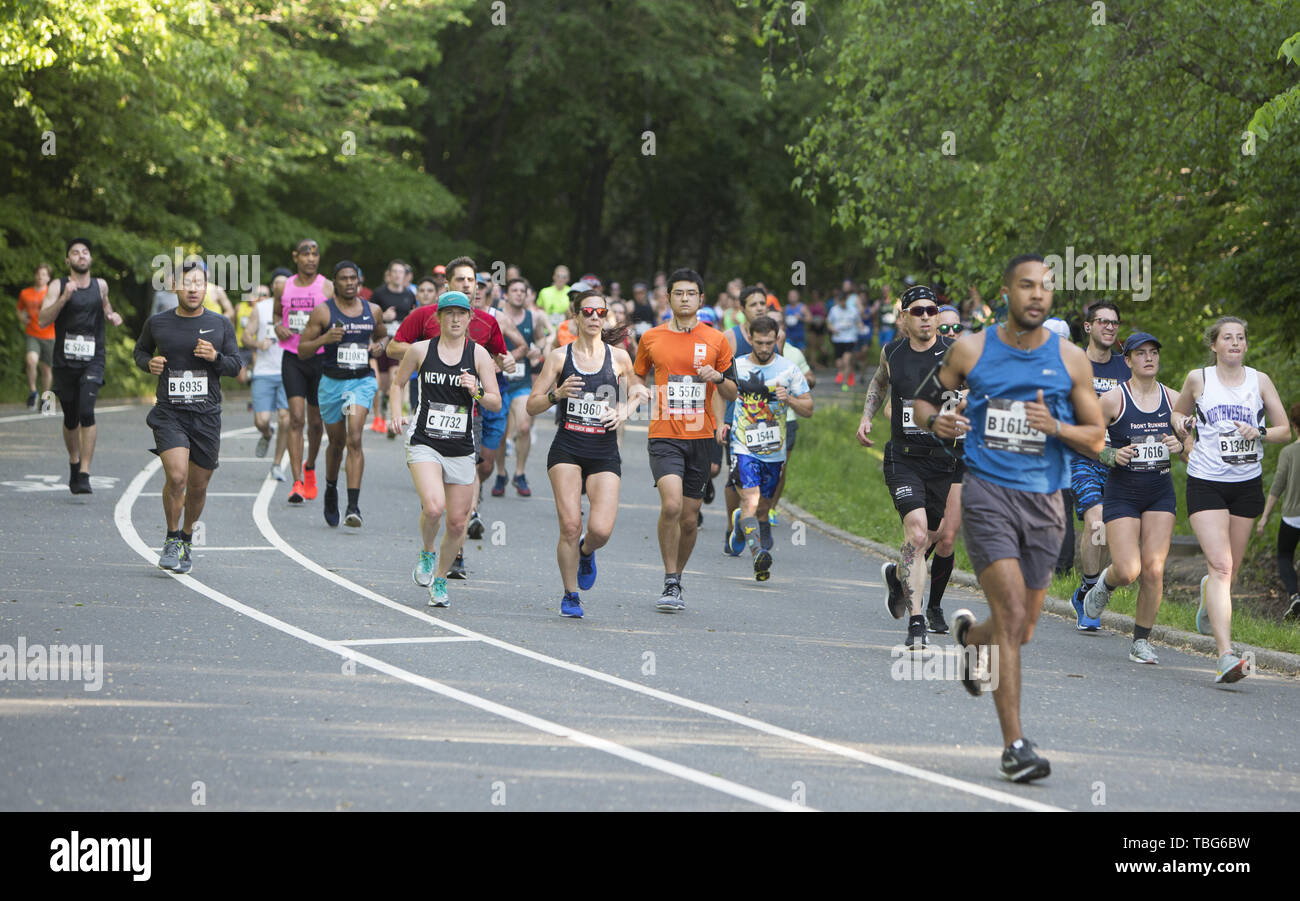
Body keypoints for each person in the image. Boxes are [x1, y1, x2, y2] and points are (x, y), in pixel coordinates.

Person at [914, 253, 1104, 782]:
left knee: (1021, 629)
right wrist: (940, 423)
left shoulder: (1071, 361)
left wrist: (1056, 428)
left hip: (1045, 502)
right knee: (1014, 613)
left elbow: (1096, 439)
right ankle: (1015, 745)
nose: (1037, 295)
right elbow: (923, 404)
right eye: (1027, 286)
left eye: (1045, 287)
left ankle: (975, 640)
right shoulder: (971, 349)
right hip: (987, 494)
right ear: (1007, 292)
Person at [1171, 316, 1290, 683]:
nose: (1235, 343)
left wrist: (1261, 431)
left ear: (1245, 345)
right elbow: (1178, 412)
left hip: (1246, 484)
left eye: (1240, 338)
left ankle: (1210, 598)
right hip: (1206, 481)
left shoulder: (1260, 381)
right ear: (1214, 345)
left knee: (1229, 571)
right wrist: (1182, 427)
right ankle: (1226, 655)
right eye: (1228, 338)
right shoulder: (1198, 378)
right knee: (1221, 565)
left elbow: (1285, 431)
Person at [388, 257, 520, 580]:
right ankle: (428, 551)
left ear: (470, 315)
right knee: (434, 507)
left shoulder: (482, 343)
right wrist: (397, 413)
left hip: (464, 433)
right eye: (450, 313)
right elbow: (396, 375)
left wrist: (480, 386)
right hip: (426, 433)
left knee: (458, 519)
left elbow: (495, 391)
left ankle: (442, 578)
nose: (456, 319)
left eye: (462, 314)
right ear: (440, 314)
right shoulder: (421, 341)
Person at [527, 290, 646, 616]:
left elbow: (640, 389)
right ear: (576, 317)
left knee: (601, 530)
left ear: (605, 317)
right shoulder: (559, 358)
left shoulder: (619, 357)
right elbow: (532, 404)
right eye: (587, 312)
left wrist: (625, 409)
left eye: (600, 312)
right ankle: (570, 595)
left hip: (604, 449)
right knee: (570, 525)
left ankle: (587, 551)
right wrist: (557, 394)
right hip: (567, 446)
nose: (594, 317)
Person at [857, 286, 960, 649]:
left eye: (932, 310)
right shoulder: (892, 352)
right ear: (904, 317)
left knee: (936, 536)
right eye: (918, 311)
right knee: (917, 536)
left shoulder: (955, 355)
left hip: (945, 462)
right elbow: (880, 382)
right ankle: (916, 622)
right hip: (903, 458)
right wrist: (867, 416)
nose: (927, 316)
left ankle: (899, 577)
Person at [633, 267, 737, 611]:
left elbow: (733, 392)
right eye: (678, 293)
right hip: (664, 433)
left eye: (691, 293)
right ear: (669, 298)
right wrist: (636, 392)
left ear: (701, 299)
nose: (685, 299)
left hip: (701, 436)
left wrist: (718, 376)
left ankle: (677, 577)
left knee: (690, 518)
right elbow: (636, 375)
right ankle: (669, 578)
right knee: (673, 505)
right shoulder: (650, 338)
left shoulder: (717, 340)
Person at [1081, 333, 1187, 663]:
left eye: (1153, 353)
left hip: (1159, 491)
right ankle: (1103, 585)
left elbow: (1191, 449)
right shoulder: (1114, 399)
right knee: (1128, 570)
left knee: (1154, 570)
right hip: (1123, 492)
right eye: (1140, 354)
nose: (1149, 358)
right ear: (1127, 361)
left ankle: (1141, 641)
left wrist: (1180, 445)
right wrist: (1111, 454)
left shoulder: (1174, 398)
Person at [133, 261, 241, 574]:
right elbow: (140, 352)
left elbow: (236, 365)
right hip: (170, 413)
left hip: (206, 415)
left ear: (206, 288)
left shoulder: (220, 324)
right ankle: (170, 538)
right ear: (175, 286)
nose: (193, 288)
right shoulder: (158, 323)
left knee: (197, 486)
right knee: (177, 476)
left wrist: (216, 358)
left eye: (199, 282)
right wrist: (148, 363)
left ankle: (187, 537)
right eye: (187, 282)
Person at [298, 261, 387, 527]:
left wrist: (380, 346)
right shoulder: (323, 312)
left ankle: (353, 506)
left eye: (353, 278)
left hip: (361, 382)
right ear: (334, 283)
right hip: (331, 383)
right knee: (336, 443)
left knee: (355, 437)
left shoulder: (373, 310)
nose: (349, 282)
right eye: (343, 279)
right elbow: (302, 350)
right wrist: (324, 340)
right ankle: (330, 488)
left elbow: (384, 337)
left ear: (359, 282)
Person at [727, 316, 812, 580]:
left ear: (777, 340)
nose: (764, 348)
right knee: (751, 500)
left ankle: (743, 525)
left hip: (774, 450)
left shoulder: (789, 369)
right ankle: (758, 556)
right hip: (743, 446)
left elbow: (809, 408)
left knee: (763, 508)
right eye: (759, 342)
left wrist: (791, 401)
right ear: (750, 339)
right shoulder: (737, 366)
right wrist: (722, 423)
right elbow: (719, 392)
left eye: (770, 343)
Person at [38, 238, 124, 494]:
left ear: (91, 258)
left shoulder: (100, 285)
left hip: (93, 359)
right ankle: (74, 463)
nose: (81, 256)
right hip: (65, 362)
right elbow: (43, 320)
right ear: (68, 260)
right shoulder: (58, 285)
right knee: (71, 418)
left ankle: (85, 472)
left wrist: (112, 315)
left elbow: (106, 307)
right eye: (75, 253)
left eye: (85, 252)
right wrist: (64, 298)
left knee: (87, 411)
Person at [1068, 300, 1131, 631]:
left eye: (1115, 323)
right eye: (1103, 321)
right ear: (1089, 327)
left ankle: (1084, 591)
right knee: (1095, 525)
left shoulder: (1127, 367)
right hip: (1083, 457)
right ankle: (1092, 591)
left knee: (1110, 532)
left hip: (1121, 460)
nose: (1109, 327)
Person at [722, 286, 787, 553]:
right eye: (754, 303)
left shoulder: (775, 336)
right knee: (736, 477)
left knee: (769, 475)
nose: (760, 307)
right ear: (742, 309)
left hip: (769, 419)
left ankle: (759, 519)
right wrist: (720, 421)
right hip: (737, 416)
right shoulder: (731, 337)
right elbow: (721, 382)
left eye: (764, 303)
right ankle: (733, 525)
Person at [273, 238, 333, 504]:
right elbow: (277, 316)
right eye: (305, 255)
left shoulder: (328, 287)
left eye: (315, 254)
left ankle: (310, 466)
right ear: (295, 256)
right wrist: (278, 327)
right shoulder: (283, 286)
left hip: (319, 358)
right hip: (293, 357)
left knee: (316, 421)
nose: (311, 259)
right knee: (296, 418)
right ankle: (296, 481)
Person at [493, 277, 551, 498]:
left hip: (522, 382)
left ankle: (519, 473)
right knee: (500, 433)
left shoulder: (533, 317)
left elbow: (541, 340)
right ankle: (500, 473)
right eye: (514, 290)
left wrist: (538, 349)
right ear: (507, 294)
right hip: (498, 382)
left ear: (527, 295)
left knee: (524, 427)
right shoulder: (497, 316)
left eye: (522, 291)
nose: (518, 294)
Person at [243, 269, 292, 479]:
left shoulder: (297, 309)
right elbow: (245, 337)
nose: (281, 287)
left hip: (289, 370)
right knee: (261, 420)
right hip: (264, 371)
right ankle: (266, 433)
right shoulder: (261, 308)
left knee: (285, 419)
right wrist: (257, 343)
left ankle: (277, 463)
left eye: (285, 283)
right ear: (273, 287)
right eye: (278, 283)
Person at [1257, 402, 1300, 620]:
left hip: (1292, 517)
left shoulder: (1288, 452)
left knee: (1284, 556)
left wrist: (1264, 518)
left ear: (1293, 425)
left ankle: (1295, 596)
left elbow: (1277, 487)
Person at [368, 260, 418, 437]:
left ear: (405, 275)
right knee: (379, 384)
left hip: (399, 344)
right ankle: (379, 414)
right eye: (394, 272)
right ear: (389, 274)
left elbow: (414, 315)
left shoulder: (409, 294)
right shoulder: (379, 294)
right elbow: (368, 316)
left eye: (401, 272)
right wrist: (384, 315)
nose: (398, 275)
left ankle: (391, 420)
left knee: (394, 379)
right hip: (381, 343)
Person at [17, 263, 54, 409]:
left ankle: (46, 399)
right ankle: (33, 392)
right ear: (35, 275)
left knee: (46, 369)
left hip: (50, 335)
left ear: (49, 278)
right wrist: (22, 318)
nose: (40, 276)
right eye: (38, 273)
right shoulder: (25, 293)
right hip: (32, 333)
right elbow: (19, 310)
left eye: (44, 274)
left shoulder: (53, 293)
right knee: (31, 361)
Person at [827, 290, 859, 391]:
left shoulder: (853, 310)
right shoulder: (833, 310)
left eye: (843, 300)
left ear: (846, 300)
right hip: (838, 339)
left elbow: (858, 322)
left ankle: (845, 382)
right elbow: (828, 322)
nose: (842, 302)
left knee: (847, 360)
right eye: (840, 300)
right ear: (837, 300)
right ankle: (844, 373)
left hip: (850, 338)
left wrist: (862, 329)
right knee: (839, 363)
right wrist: (832, 329)